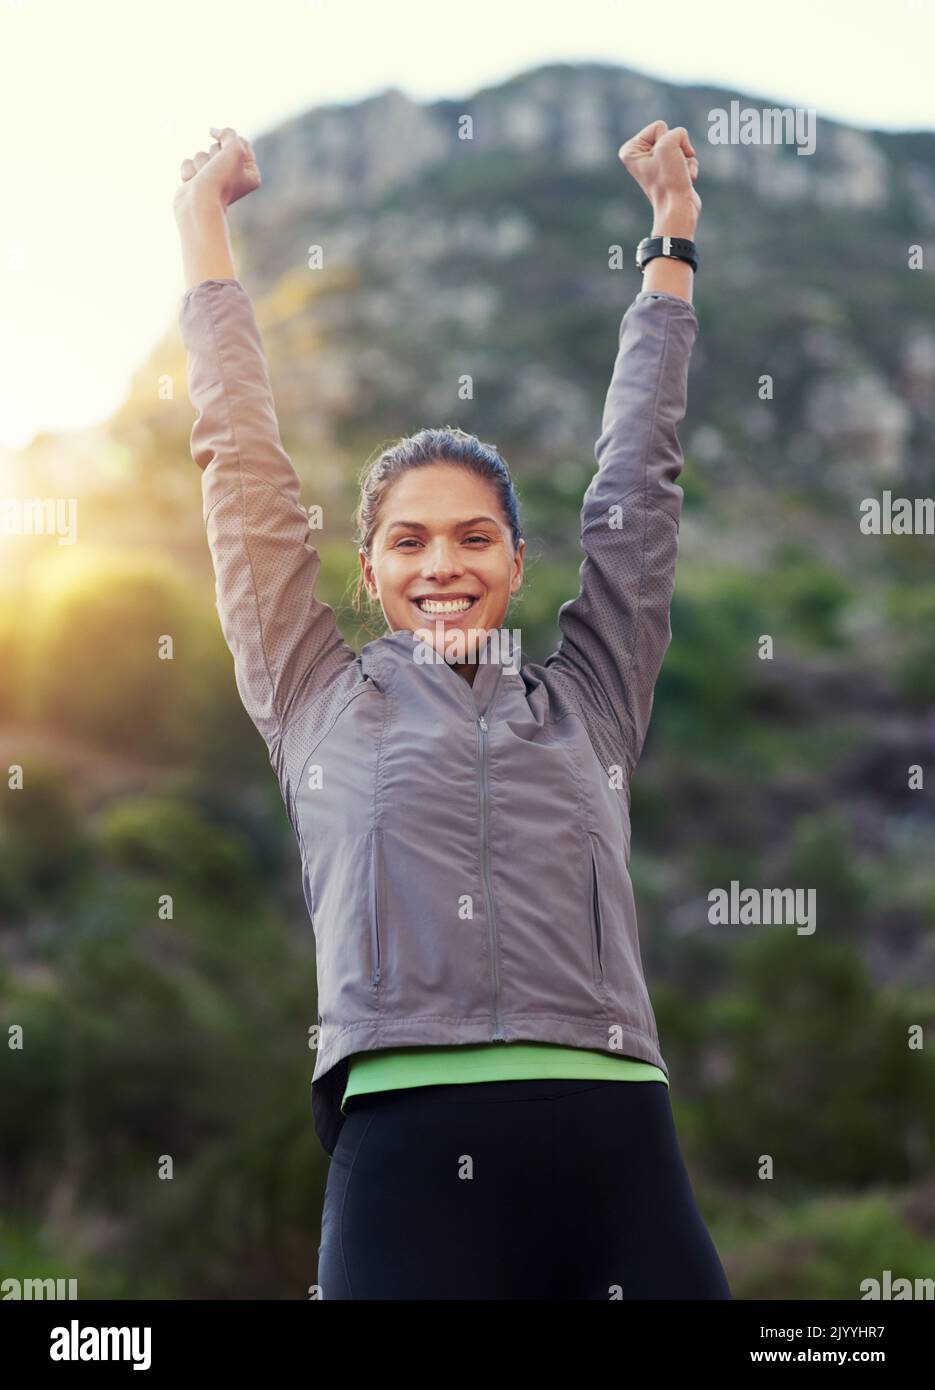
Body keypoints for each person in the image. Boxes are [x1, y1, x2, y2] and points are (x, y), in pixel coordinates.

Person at [174, 119, 730, 1300]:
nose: (443, 563)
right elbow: (241, 466)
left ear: (515, 563)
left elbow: (640, 474)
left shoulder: (588, 700)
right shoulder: (314, 693)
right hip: (407, 1144)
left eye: (475, 537)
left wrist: (669, 240)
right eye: (408, 540)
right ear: (367, 569)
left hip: (615, 1132)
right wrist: (201, 228)